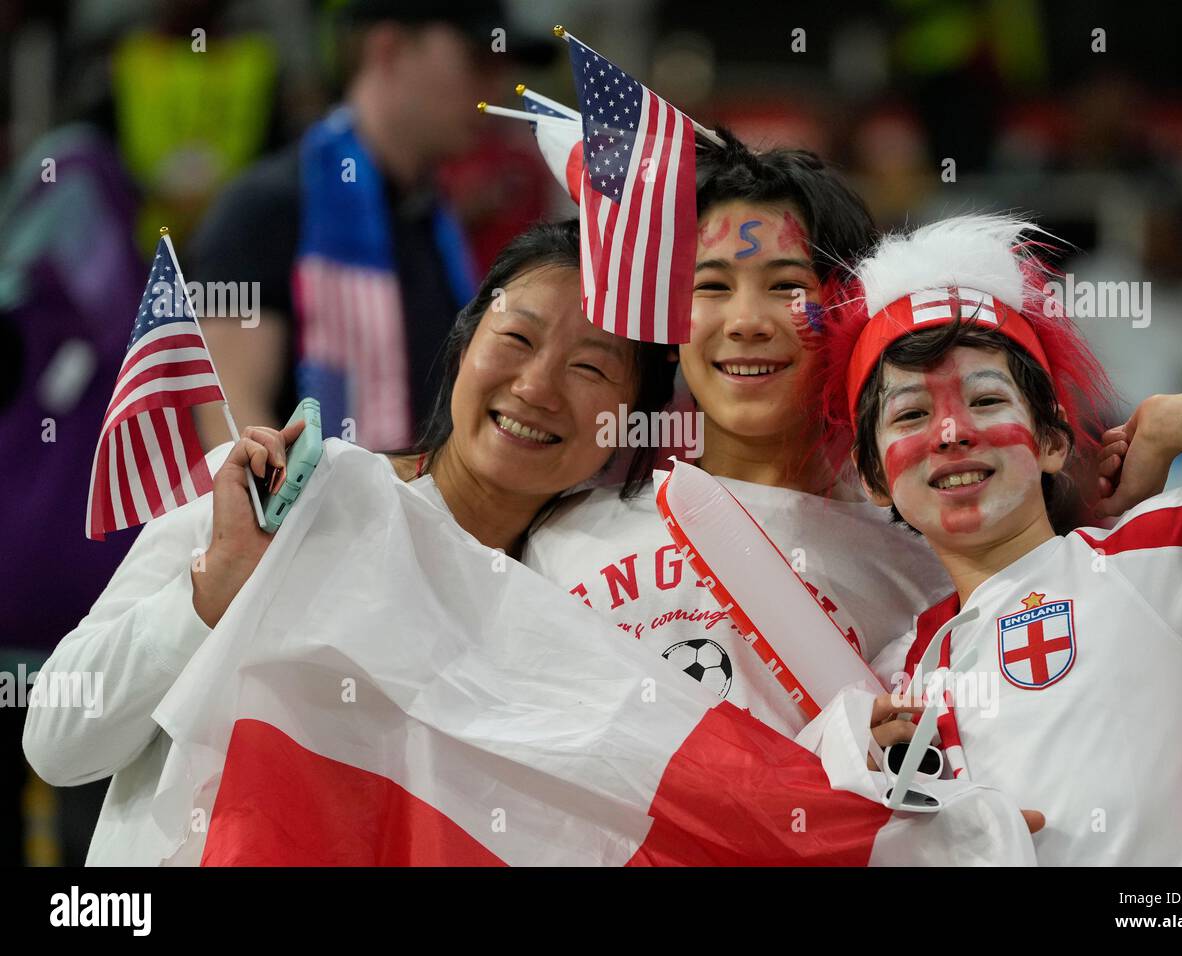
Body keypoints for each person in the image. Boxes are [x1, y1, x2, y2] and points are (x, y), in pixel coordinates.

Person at [22, 220, 677, 864]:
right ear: (462, 347)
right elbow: (57, 742)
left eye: (590, 367)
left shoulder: (596, 608)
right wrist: (217, 584)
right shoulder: (289, 500)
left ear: (633, 421)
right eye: (516, 337)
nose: (535, 387)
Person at [830, 212, 1182, 865]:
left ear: (1052, 441)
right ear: (874, 477)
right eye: (911, 413)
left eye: (986, 401)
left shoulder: (1154, 558)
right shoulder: (892, 677)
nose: (951, 433)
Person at [523, 133, 949, 740]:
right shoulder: (555, 538)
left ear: (851, 313)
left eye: (786, 287)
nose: (747, 322)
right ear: (665, 323)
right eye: (712, 287)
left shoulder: (927, 574)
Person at [187, 0, 552, 451]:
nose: (496, 92)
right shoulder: (269, 205)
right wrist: (306, 520)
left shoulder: (434, 219)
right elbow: (228, 413)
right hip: (313, 514)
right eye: (478, 61)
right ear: (389, 49)